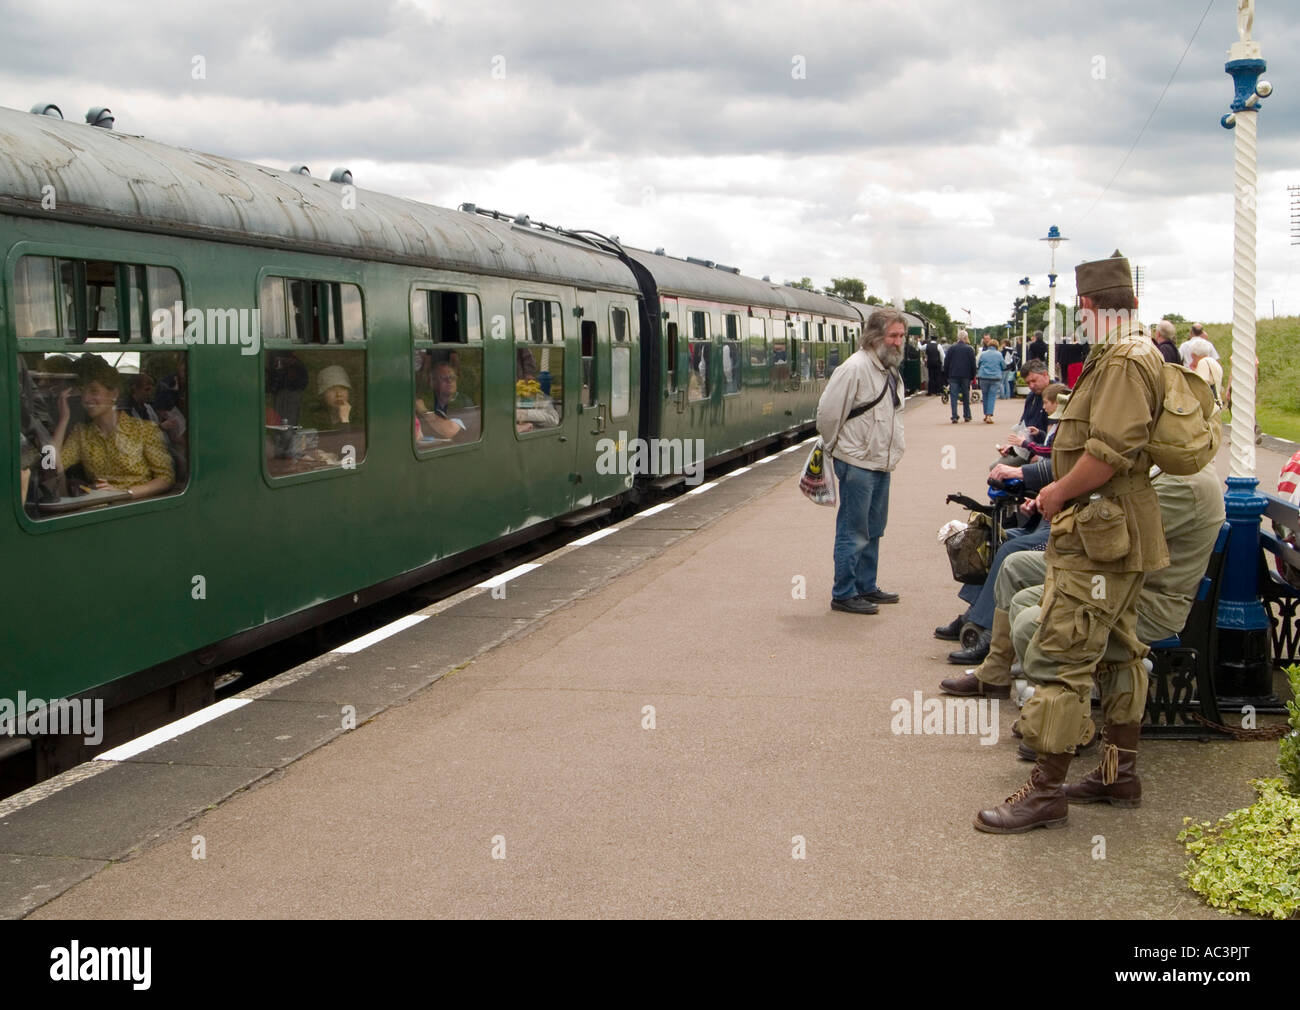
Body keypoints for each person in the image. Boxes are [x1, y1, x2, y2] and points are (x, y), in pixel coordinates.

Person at [974, 248, 1168, 834]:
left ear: (1088, 305)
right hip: (1121, 531)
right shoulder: (1140, 354)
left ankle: (1046, 792)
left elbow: (1108, 453)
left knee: (1064, 656)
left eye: (1079, 311)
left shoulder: (1122, 362)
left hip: (1100, 532)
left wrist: (1057, 492)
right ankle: (1117, 772)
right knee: (1119, 650)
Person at [945, 464, 1224, 717]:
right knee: (1015, 568)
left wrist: (1067, 523)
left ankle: (1061, 717)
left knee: (1031, 615)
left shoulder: (1185, 485)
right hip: (1119, 582)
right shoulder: (1172, 471)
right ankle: (1002, 678)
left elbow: (1122, 541)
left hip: (1142, 599)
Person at [816, 307, 906, 615]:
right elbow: (827, 414)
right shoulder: (854, 368)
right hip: (857, 462)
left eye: (901, 336)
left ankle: (866, 585)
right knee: (853, 530)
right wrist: (837, 449)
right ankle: (843, 592)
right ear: (875, 336)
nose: (898, 341)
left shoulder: (889, 369)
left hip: (880, 462)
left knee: (874, 527)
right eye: (893, 335)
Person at [53, 355, 174, 501]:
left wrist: (124, 493)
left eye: (93, 391)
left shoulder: (144, 430)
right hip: (98, 509)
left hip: (136, 508)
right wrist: (64, 419)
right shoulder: (82, 433)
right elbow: (53, 466)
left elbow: (166, 478)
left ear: (114, 394)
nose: (86, 398)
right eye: (82, 391)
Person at [417, 357, 478, 441]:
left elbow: (449, 431)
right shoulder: (429, 400)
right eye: (444, 378)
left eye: (452, 377)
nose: (449, 381)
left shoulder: (464, 402)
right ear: (432, 382)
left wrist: (424, 411)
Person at [943, 330, 976, 424]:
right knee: (966, 395)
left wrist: (947, 375)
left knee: (953, 396)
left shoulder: (951, 348)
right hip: (966, 375)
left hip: (953, 375)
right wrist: (973, 376)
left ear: (957, 338)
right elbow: (973, 364)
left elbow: (946, 363)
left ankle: (954, 416)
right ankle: (967, 416)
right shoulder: (969, 349)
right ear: (966, 338)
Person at [1185, 336, 1224, 405]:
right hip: (1217, 403)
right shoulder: (1214, 362)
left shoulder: (1202, 363)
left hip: (1209, 406)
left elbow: (1202, 385)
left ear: (1193, 354)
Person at [976, 336, 1003, 423]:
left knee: (985, 396)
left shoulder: (983, 353)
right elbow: (1003, 365)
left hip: (984, 377)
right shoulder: (999, 354)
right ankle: (989, 415)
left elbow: (979, 363)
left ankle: (985, 414)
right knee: (992, 396)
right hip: (995, 378)